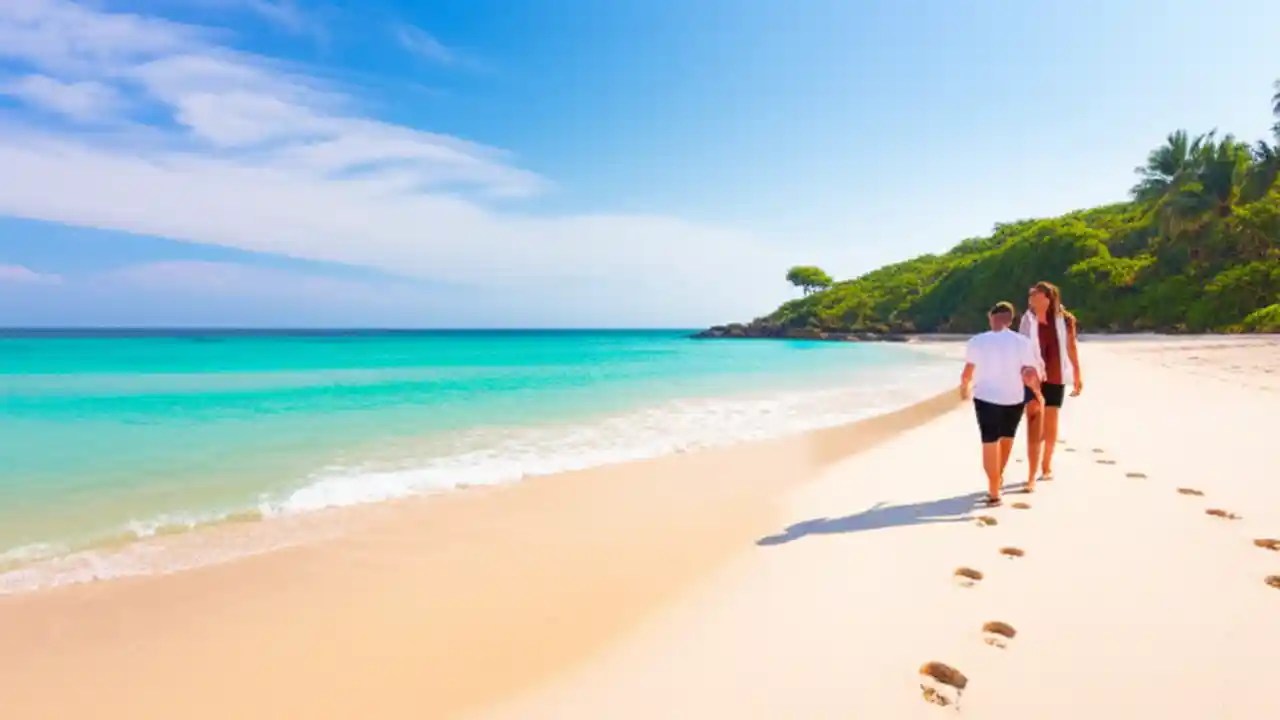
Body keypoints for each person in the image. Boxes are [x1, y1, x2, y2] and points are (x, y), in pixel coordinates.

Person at [960, 301, 1043, 506]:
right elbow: (1030, 374)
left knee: (989, 441)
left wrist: (964, 389)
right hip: (1013, 398)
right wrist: (1037, 393)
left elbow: (967, 372)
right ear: (1011, 319)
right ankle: (998, 477)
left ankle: (994, 489)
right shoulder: (1022, 342)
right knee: (1006, 438)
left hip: (985, 398)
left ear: (991, 317)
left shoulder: (977, 341)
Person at [1019, 281, 1083, 490]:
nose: (1031, 297)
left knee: (1051, 420)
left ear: (1047, 297)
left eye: (1035, 294)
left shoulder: (1065, 320)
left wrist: (1077, 372)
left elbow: (1071, 346)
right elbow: (1020, 347)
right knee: (1036, 419)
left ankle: (1046, 464)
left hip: (1055, 374)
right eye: (1031, 294)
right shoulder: (1027, 320)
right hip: (1034, 376)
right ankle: (1033, 468)